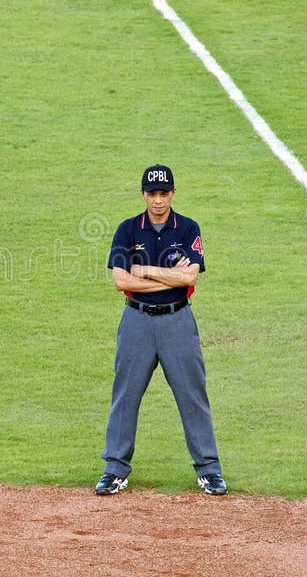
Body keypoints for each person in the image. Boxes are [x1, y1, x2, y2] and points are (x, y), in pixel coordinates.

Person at [95, 164, 227, 496]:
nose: (158, 200)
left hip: (178, 322)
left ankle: (209, 471)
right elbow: (121, 281)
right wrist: (168, 276)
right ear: (142, 194)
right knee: (125, 395)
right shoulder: (127, 230)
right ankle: (115, 469)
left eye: (163, 193)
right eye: (152, 194)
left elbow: (190, 277)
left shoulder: (188, 228)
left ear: (173, 194)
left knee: (192, 395)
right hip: (136, 322)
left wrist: (145, 272)